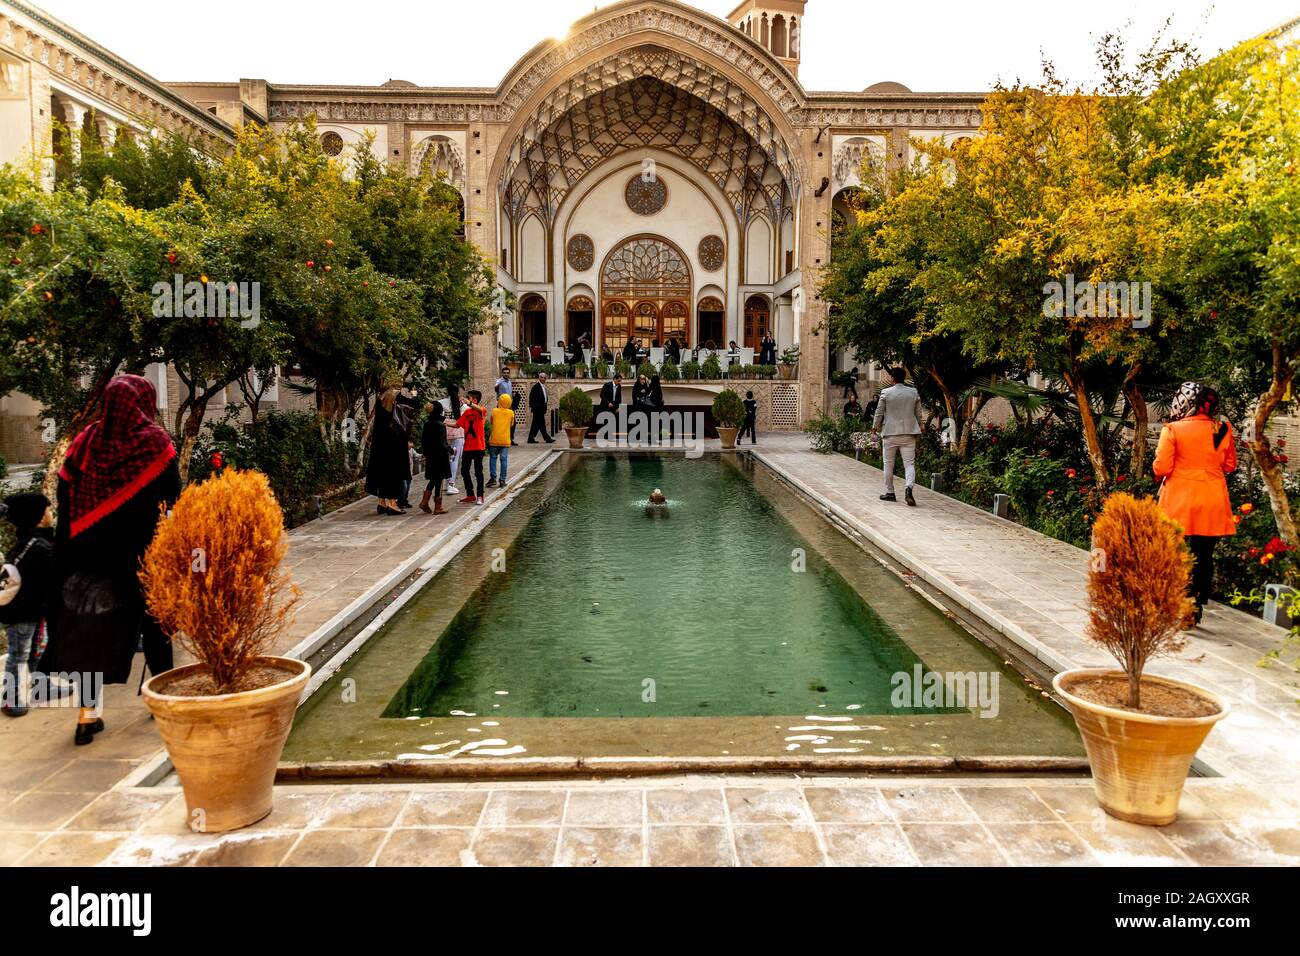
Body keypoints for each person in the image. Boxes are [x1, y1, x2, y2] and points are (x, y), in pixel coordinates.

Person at [40, 374, 179, 746]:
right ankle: (162, 700)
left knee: (90, 632)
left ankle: (87, 717)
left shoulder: (85, 442)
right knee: (155, 628)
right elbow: (173, 500)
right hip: (142, 555)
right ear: (144, 403)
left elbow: (65, 496)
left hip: (87, 556)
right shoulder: (154, 444)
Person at [1154, 382, 1237, 626]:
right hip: (1212, 499)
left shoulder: (1173, 430)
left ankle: (1172, 599)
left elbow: (1162, 468)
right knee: (1204, 554)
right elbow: (1230, 465)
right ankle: (1194, 603)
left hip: (1179, 500)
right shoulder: (1220, 429)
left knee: (1173, 552)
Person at [0, 493, 55, 718]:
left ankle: (42, 687)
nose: (52, 514)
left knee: (35, 650)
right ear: (40, 517)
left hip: (31, 609)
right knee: (18, 654)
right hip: (20, 613)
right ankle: (9, 698)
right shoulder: (38, 546)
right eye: (49, 510)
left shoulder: (29, 542)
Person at [871, 367, 922, 507]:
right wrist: (920, 426)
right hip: (909, 433)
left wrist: (874, 428)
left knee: (888, 464)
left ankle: (890, 492)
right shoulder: (913, 392)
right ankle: (908, 488)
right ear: (904, 378)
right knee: (909, 464)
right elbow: (918, 413)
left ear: (892, 379)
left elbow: (879, 412)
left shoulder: (886, 393)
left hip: (890, 433)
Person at [366, 384, 418, 515]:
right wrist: (414, 395)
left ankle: (381, 503)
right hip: (394, 442)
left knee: (382, 472)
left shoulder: (380, 398)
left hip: (380, 442)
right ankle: (393, 504)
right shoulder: (397, 396)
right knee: (395, 472)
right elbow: (413, 406)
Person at [455, 390, 488, 504]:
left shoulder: (481, 410)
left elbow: (479, 409)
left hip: (478, 447)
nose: (467, 400)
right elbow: (457, 424)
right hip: (467, 447)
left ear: (474, 400)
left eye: (469, 398)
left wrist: (468, 403)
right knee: (464, 471)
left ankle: (480, 496)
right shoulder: (467, 412)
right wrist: (443, 422)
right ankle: (470, 494)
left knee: (478, 472)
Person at [419, 403, 452, 515]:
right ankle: (437, 506)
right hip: (440, 456)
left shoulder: (427, 424)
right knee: (439, 480)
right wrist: (450, 449)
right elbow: (443, 444)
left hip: (431, 455)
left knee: (434, 479)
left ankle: (425, 502)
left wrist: (426, 453)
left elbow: (423, 440)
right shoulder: (440, 425)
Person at [486, 393, 514, 489]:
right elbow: (511, 424)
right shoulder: (511, 413)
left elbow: (491, 422)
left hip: (494, 439)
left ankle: (493, 478)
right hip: (505, 440)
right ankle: (502, 480)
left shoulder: (494, 411)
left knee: (493, 458)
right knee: (504, 460)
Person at [444, 384, 465, 496]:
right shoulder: (462, 404)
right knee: (454, 459)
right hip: (458, 433)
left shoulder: (442, 403)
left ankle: (445, 483)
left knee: (446, 458)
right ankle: (451, 485)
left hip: (444, 433)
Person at [528, 372, 554, 443]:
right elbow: (531, 398)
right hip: (537, 409)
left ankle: (530, 439)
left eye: (544, 378)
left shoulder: (543, 386)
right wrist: (535, 407)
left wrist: (544, 408)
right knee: (541, 424)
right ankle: (547, 438)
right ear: (539, 378)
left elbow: (544, 398)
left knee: (536, 425)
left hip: (541, 409)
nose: (543, 379)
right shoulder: (536, 387)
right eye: (541, 377)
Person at [494, 367, 517, 446]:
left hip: (509, 406)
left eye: (508, 373)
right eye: (505, 373)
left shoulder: (509, 382)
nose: (506, 374)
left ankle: (511, 439)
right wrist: (497, 386)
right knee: (501, 423)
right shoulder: (499, 381)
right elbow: (495, 388)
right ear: (502, 373)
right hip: (501, 406)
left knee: (513, 423)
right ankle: (501, 439)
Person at [401, 439, 420, 510]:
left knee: (407, 487)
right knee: (404, 487)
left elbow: (416, 455)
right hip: (402, 473)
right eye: (409, 443)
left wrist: (423, 455)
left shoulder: (411, 450)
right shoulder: (401, 450)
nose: (411, 445)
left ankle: (404, 501)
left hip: (409, 473)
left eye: (412, 443)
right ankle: (400, 501)